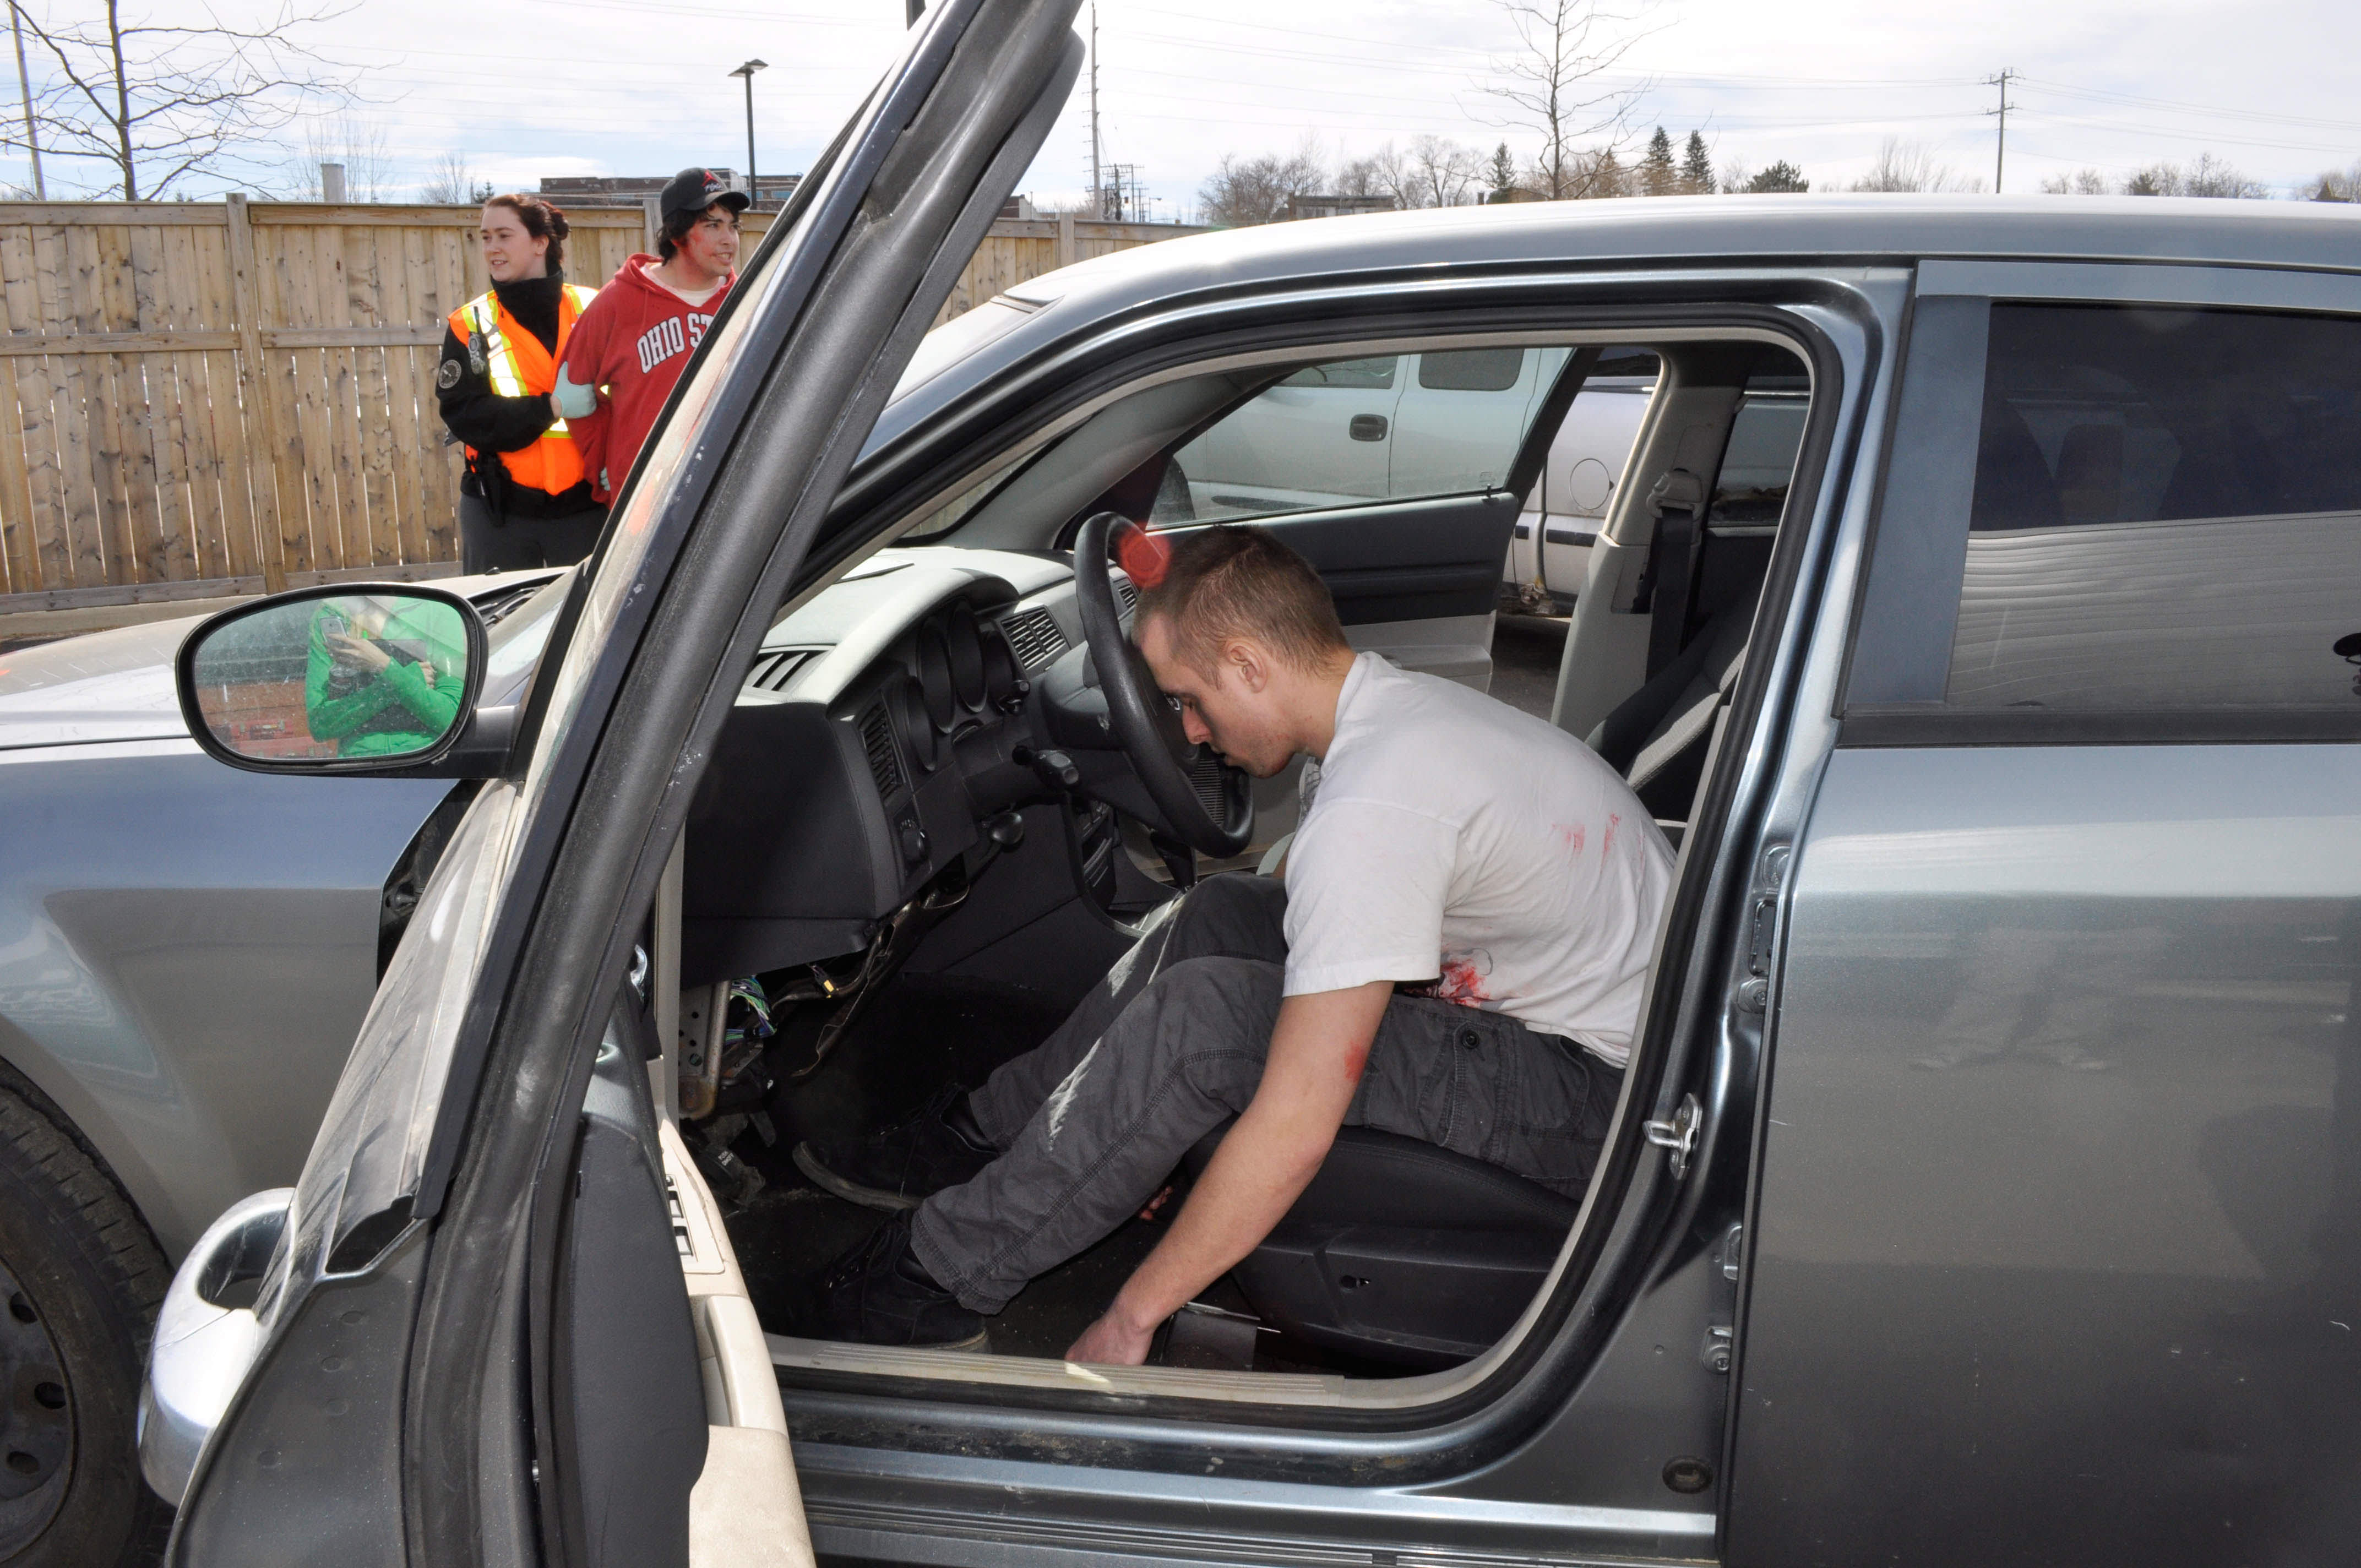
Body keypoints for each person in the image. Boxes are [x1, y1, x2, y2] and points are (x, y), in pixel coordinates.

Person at [803, 525, 1677, 1362]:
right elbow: (1320, 884)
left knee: (1206, 1023)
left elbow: (1298, 1121)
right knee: (1218, 911)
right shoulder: (1398, 713)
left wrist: (1133, 1315)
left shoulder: (1380, 806)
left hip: (1602, 1100)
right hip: (1612, 1025)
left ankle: (938, 1278)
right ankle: (989, 1138)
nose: (1185, 730)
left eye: (1189, 699)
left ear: (1250, 666)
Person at [553, 167, 747, 506]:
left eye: (733, 226)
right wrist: (605, 461)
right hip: (645, 501)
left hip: (728, 493)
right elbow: (573, 393)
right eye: (712, 225)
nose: (729, 239)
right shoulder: (619, 300)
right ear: (676, 235)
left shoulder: (747, 301)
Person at [436, 195, 603, 573]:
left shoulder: (593, 310)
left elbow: (629, 397)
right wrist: (550, 409)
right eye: (485, 237)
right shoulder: (473, 324)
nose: (492, 248)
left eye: (504, 236)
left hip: (587, 509)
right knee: (500, 624)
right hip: (501, 515)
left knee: (587, 626)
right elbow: (466, 414)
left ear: (540, 243)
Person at [303, 595, 466, 758]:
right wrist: (401, 677)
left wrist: (384, 665)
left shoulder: (437, 610)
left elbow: (452, 717)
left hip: (427, 758)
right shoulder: (333, 613)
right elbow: (320, 726)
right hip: (359, 768)